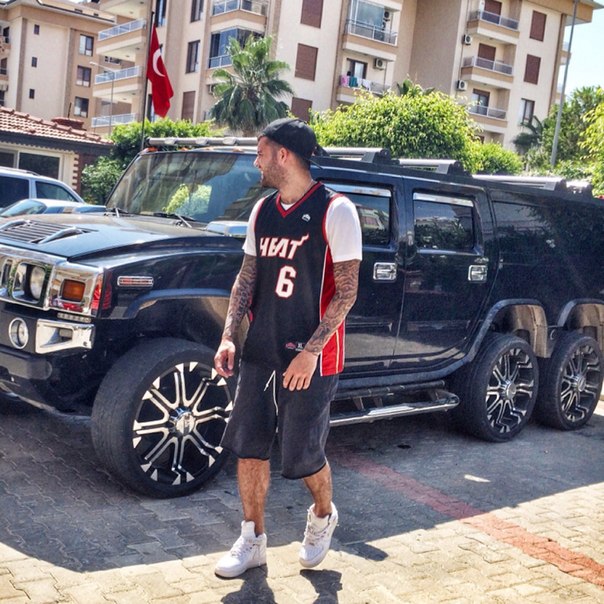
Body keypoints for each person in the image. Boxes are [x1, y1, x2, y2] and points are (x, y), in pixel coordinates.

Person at [213, 117, 362, 579]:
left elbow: (347, 293)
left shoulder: (336, 210)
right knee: (249, 447)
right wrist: (229, 334)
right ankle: (252, 539)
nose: (255, 161)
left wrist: (311, 351)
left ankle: (323, 515)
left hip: (313, 357)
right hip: (262, 350)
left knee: (302, 455)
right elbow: (246, 278)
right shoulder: (262, 211)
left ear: (283, 155)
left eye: (261, 152)